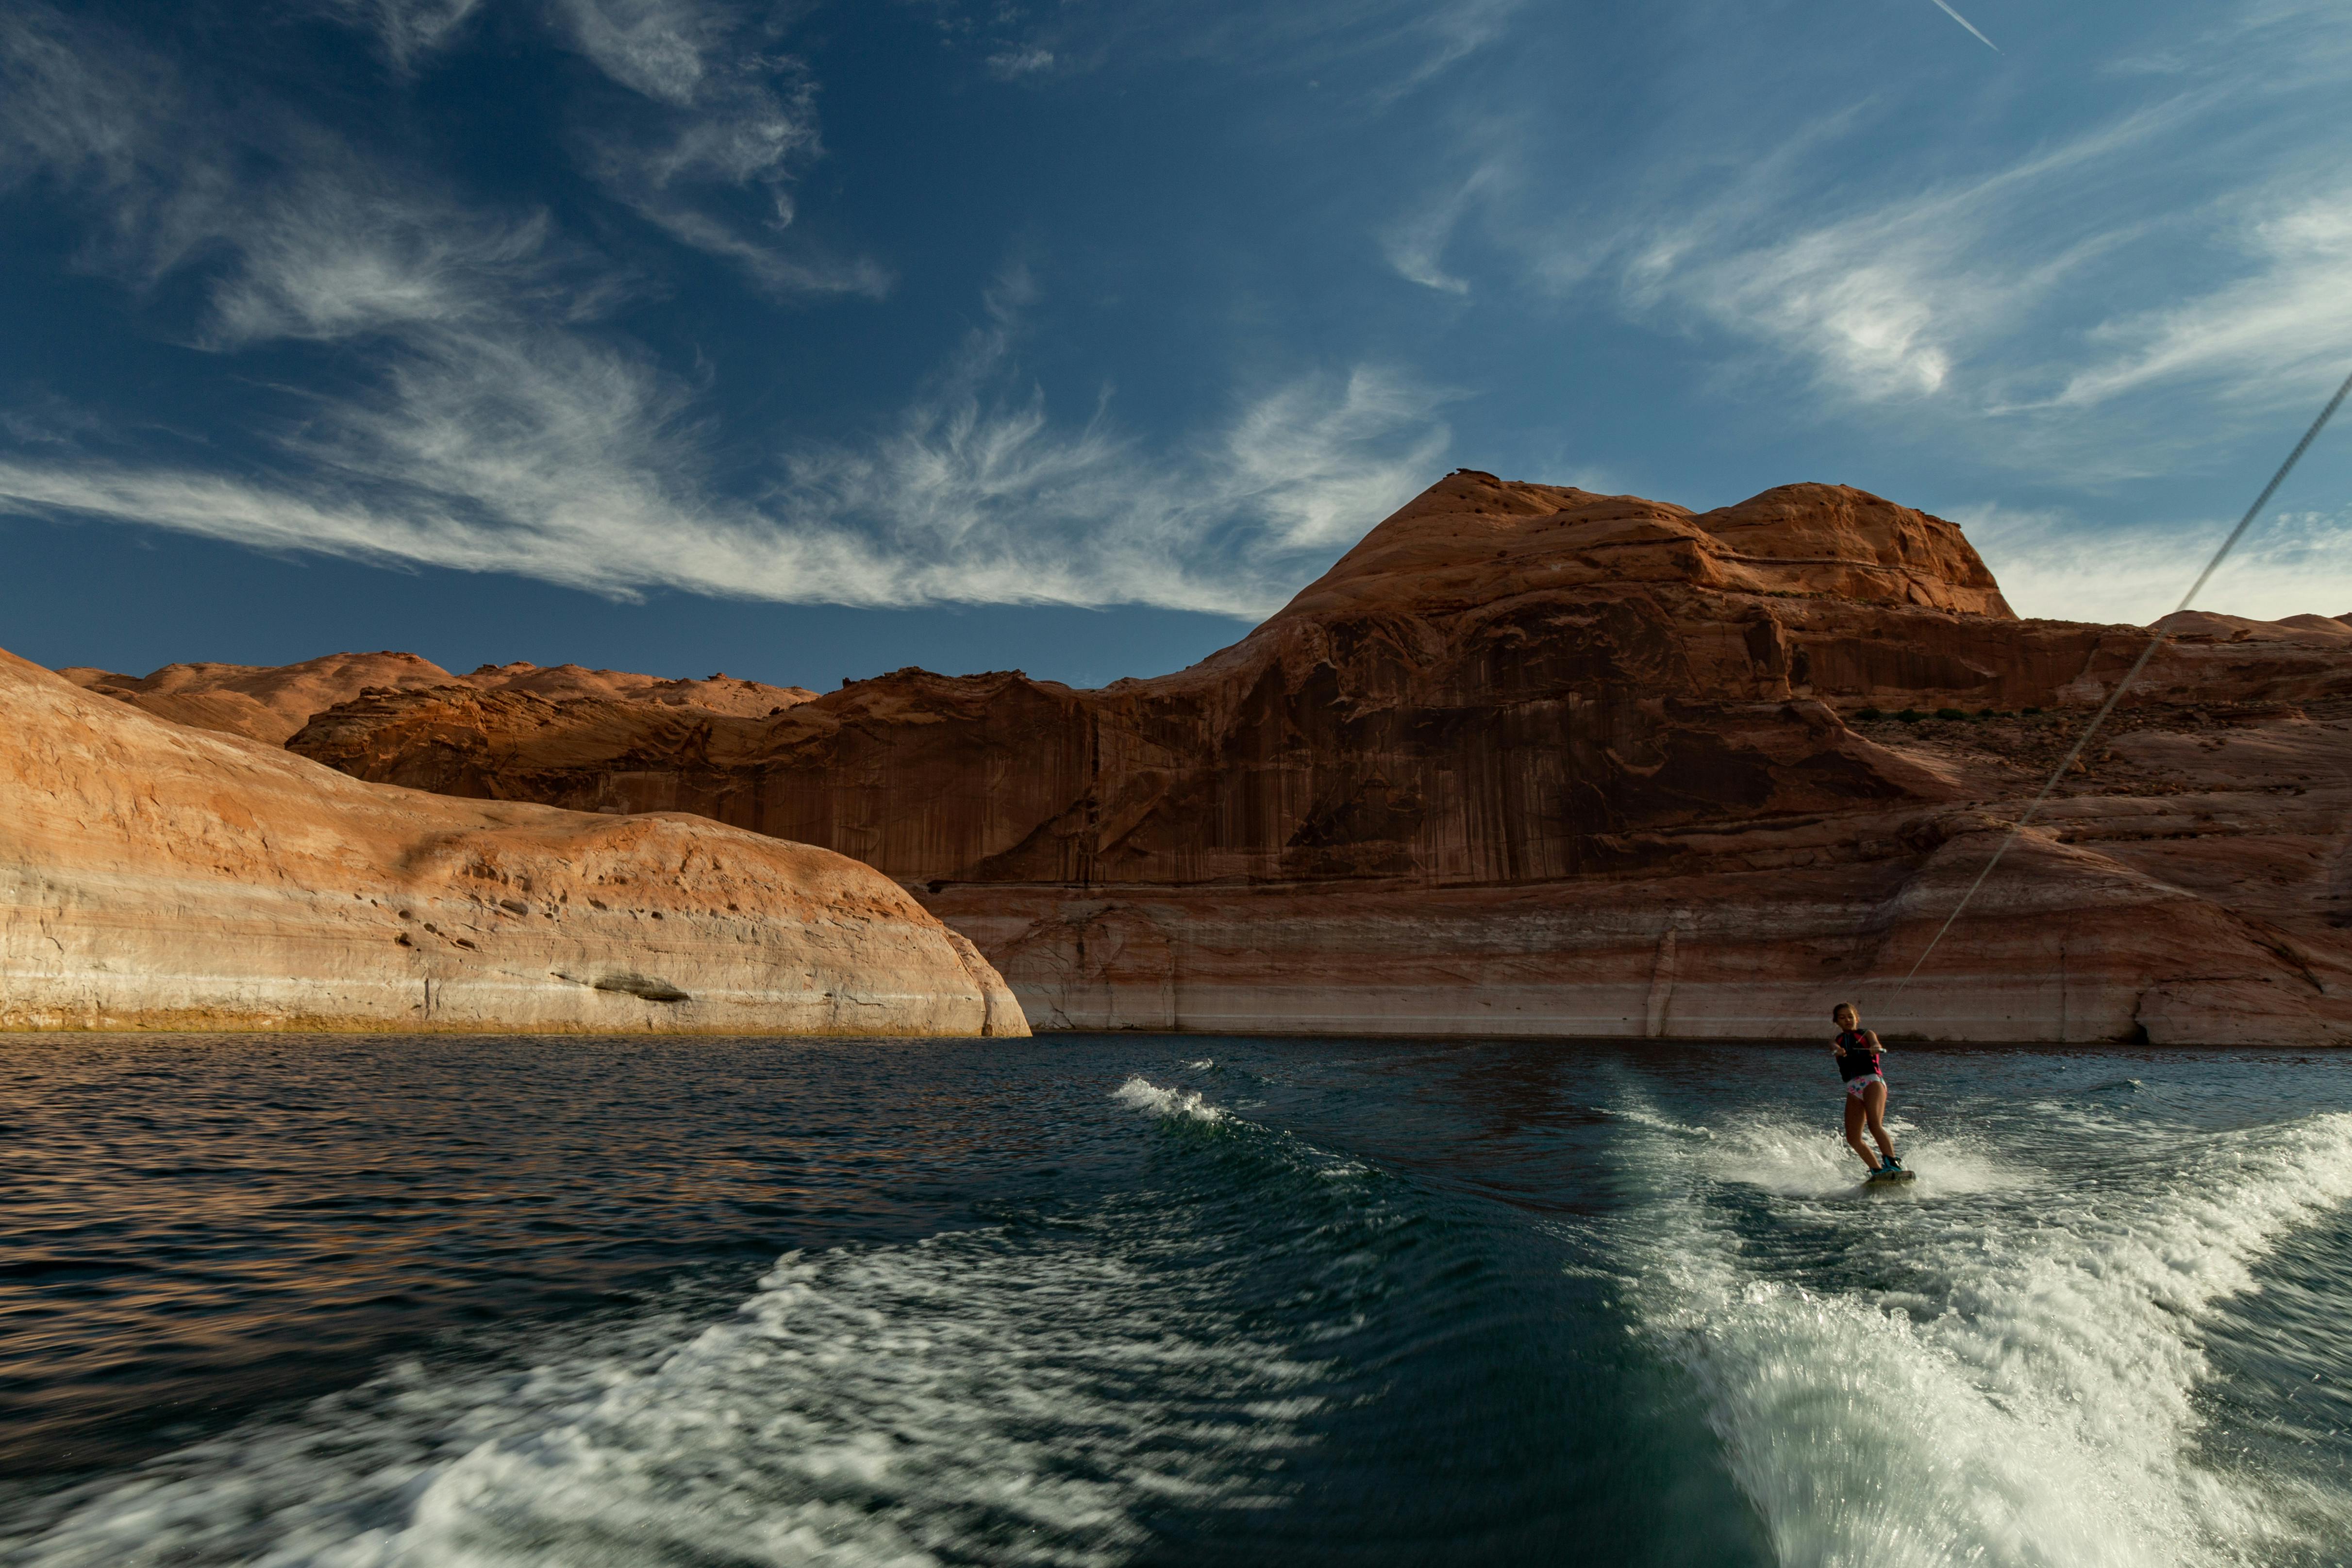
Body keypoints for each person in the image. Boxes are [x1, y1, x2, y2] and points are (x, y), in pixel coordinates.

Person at [1830, 1002, 1901, 1176]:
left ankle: (1892, 1163)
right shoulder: (1836, 1041)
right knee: (1853, 1138)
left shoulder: (1867, 1034)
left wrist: (1876, 1048)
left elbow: (1875, 1044)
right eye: (1842, 1017)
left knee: (1874, 1124)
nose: (1847, 1020)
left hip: (1872, 1082)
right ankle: (1877, 1170)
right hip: (1853, 1087)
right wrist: (1839, 1051)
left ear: (1856, 1018)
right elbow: (1835, 1048)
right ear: (1836, 1022)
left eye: (1850, 1016)